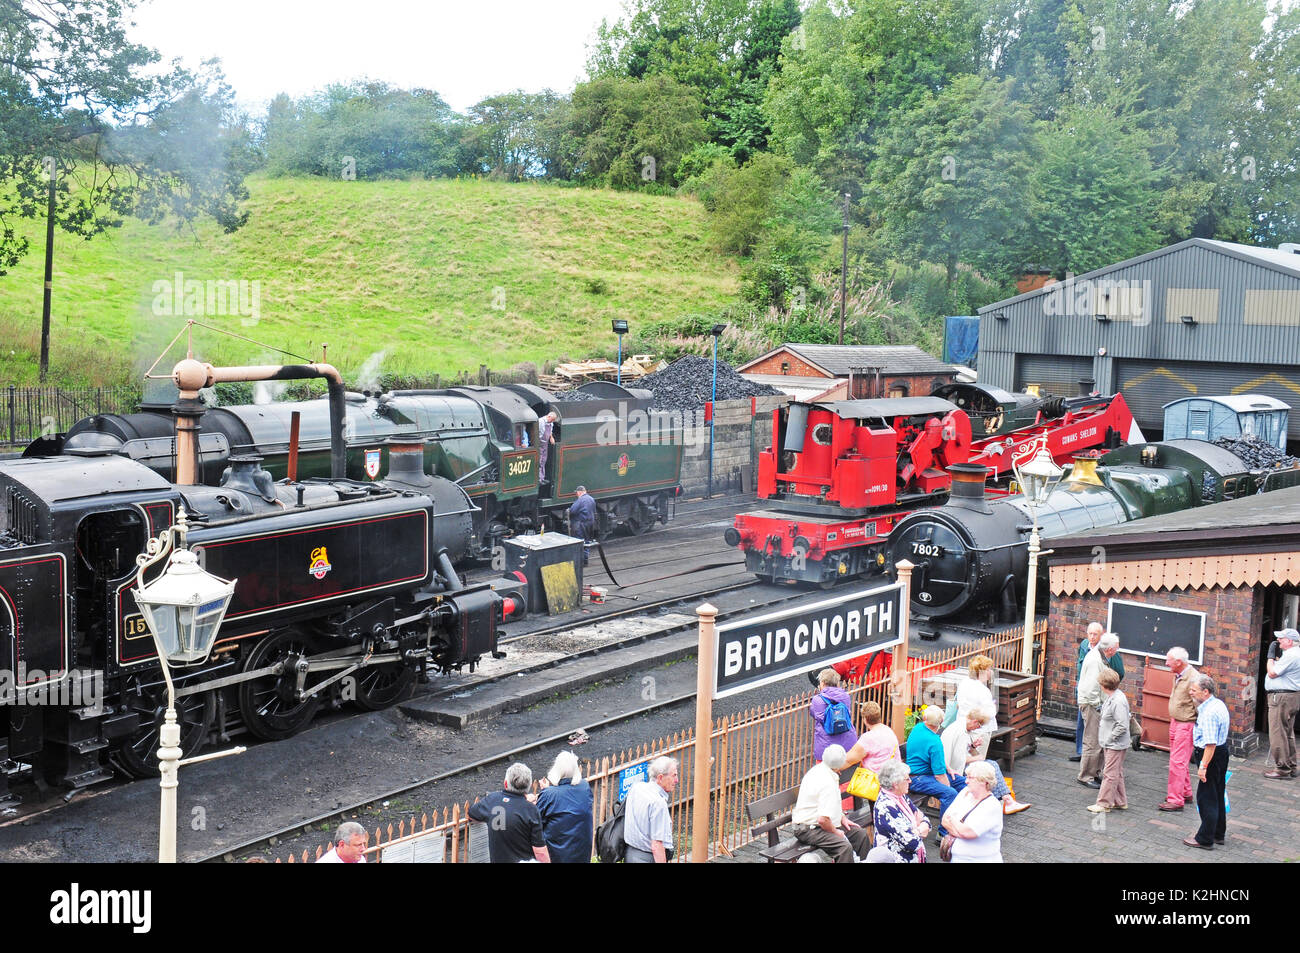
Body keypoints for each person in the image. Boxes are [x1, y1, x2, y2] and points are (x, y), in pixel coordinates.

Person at [789, 743, 872, 863]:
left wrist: (842, 817)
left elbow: (827, 807)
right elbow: (823, 820)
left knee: (861, 835)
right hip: (807, 828)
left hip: (819, 824)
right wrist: (835, 831)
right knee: (844, 848)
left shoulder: (821, 769)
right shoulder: (828, 782)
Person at [941, 705, 1030, 815]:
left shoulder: (964, 730)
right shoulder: (959, 731)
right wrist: (976, 758)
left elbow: (963, 753)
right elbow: (958, 760)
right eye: (979, 725)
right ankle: (1006, 801)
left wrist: (973, 747)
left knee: (991, 766)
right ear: (974, 721)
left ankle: (1006, 801)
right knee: (991, 766)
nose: (978, 728)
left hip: (960, 767)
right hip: (955, 770)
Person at [467, 763, 551, 863]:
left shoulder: (492, 800)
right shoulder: (531, 809)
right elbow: (540, 852)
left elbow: (471, 813)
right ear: (528, 787)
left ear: (506, 783)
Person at [1183, 674, 1230, 850]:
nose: (1191, 693)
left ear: (1205, 691)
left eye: (1194, 690)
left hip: (1210, 754)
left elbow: (1210, 745)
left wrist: (1202, 767)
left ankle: (1205, 838)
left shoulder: (1209, 713)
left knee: (1206, 797)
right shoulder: (1218, 704)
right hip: (1221, 752)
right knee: (1217, 792)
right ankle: (1218, 833)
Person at [1072, 623, 1125, 761]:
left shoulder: (1109, 654)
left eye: (1095, 634)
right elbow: (1084, 672)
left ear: (1101, 636)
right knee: (1085, 729)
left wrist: (1109, 686)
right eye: (1090, 633)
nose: (1092, 637)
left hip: (1098, 697)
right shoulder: (1086, 647)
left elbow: (1119, 672)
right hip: (1089, 696)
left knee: (1093, 735)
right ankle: (1081, 754)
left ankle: (1088, 760)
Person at [906, 706, 963, 833]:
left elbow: (938, 762)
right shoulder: (934, 741)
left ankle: (961, 821)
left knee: (964, 782)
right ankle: (944, 832)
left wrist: (948, 768)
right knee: (950, 793)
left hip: (924, 774)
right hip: (919, 779)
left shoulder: (919, 728)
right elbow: (939, 776)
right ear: (941, 722)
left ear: (925, 718)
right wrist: (948, 787)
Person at [1077, 633, 1120, 787]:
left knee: (1098, 741)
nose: (1117, 650)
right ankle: (1086, 776)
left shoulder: (1101, 657)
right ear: (1109, 649)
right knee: (1092, 740)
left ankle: (1094, 774)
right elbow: (1091, 688)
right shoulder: (1096, 660)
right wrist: (1098, 705)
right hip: (1091, 705)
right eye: (1116, 647)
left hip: (1096, 703)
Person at [536, 750, 594, 863]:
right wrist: (548, 790)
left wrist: (547, 791)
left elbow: (537, 821)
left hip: (558, 855)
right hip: (582, 853)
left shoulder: (549, 795)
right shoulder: (584, 787)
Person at [1159, 646, 1198, 810]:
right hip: (1176, 722)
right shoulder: (1180, 674)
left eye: (1169, 660)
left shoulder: (1194, 679)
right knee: (1179, 761)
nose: (1166, 663)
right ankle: (1185, 792)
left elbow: (1199, 704)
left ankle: (1175, 800)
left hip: (1185, 724)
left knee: (1177, 762)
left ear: (1179, 662)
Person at [942, 761, 1004, 863]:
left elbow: (968, 832)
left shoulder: (992, 806)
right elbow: (944, 820)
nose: (966, 781)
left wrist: (953, 819)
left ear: (984, 781)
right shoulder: (965, 792)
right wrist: (960, 830)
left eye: (970, 778)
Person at [1089, 667, 1131, 813]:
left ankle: (1103, 804)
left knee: (1109, 773)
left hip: (1115, 744)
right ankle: (1120, 801)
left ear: (1104, 685)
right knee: (1116, 771)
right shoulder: (1114, 696)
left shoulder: (1117, 701)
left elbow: (1122, 725)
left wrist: (1110, 738)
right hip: (1111, 742)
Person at [872, 760, 930, 863]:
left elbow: (925, 819)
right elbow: (912, 843)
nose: (910, 781)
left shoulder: (901, 797)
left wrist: (916, 830)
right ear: (895, 784)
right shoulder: (886, 807)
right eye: (907, 779)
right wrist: (920, 829)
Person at [624, 755, 678, 863]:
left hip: (629, 854)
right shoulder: (658, 803)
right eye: (673, 776)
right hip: (648, 858)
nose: (676, 780)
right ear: (660, 778)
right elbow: (656, 845)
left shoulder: (636, 788)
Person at [1264, 628, 1300, 780]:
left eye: (1281, 638)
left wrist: (1270, 657)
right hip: (1291, 696)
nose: (1278, 641)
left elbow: (1272, 673)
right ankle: (1291, 765)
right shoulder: (1295, 653)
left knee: (1278, 732)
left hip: (1281, 697)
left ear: (1290, 641)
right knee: (1287, 732)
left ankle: (1282, 769)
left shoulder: (1291, 654)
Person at [954, 655, 998, 759]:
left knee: (964, 757)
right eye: (989, 669)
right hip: (980, 730)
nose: (990, 672)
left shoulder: (964, 683)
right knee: (977, 760)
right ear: (983, 671)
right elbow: (990, 713)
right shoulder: (983, 690)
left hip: (964, 726)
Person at [810, 668, 858, 761]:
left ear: (823, 683)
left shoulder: (818, 699)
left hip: (827, 748)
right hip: (848, 744)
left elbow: (816, 714)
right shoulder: (845, 696)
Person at [843, 700, 898, 772]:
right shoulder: (889, 731)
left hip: (876, 779)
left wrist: (833, 768)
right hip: (893, 776)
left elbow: (848, 760)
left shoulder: (867, 738)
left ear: (864, 719)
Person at [568, 485, 597, 565]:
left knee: (579, 541)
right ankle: (585, 560)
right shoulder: (591, 499)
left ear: (579, 492)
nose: (576, 494)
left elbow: (573, 511)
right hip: (590, 524)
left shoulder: (580, 500)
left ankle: (580, 562)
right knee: (587, 541)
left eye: (576, 492)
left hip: (581, 524)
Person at [538, 411, 558, 482]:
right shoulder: (540, 422)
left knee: (544, 460)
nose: (552, 421)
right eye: (552, 419)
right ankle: (538, 478)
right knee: (539, 461)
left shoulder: (550, 423)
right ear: (549, 416)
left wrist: (551, 437)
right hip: (539, 443)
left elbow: (550, 432)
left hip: (545, 443)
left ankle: (542, 477)